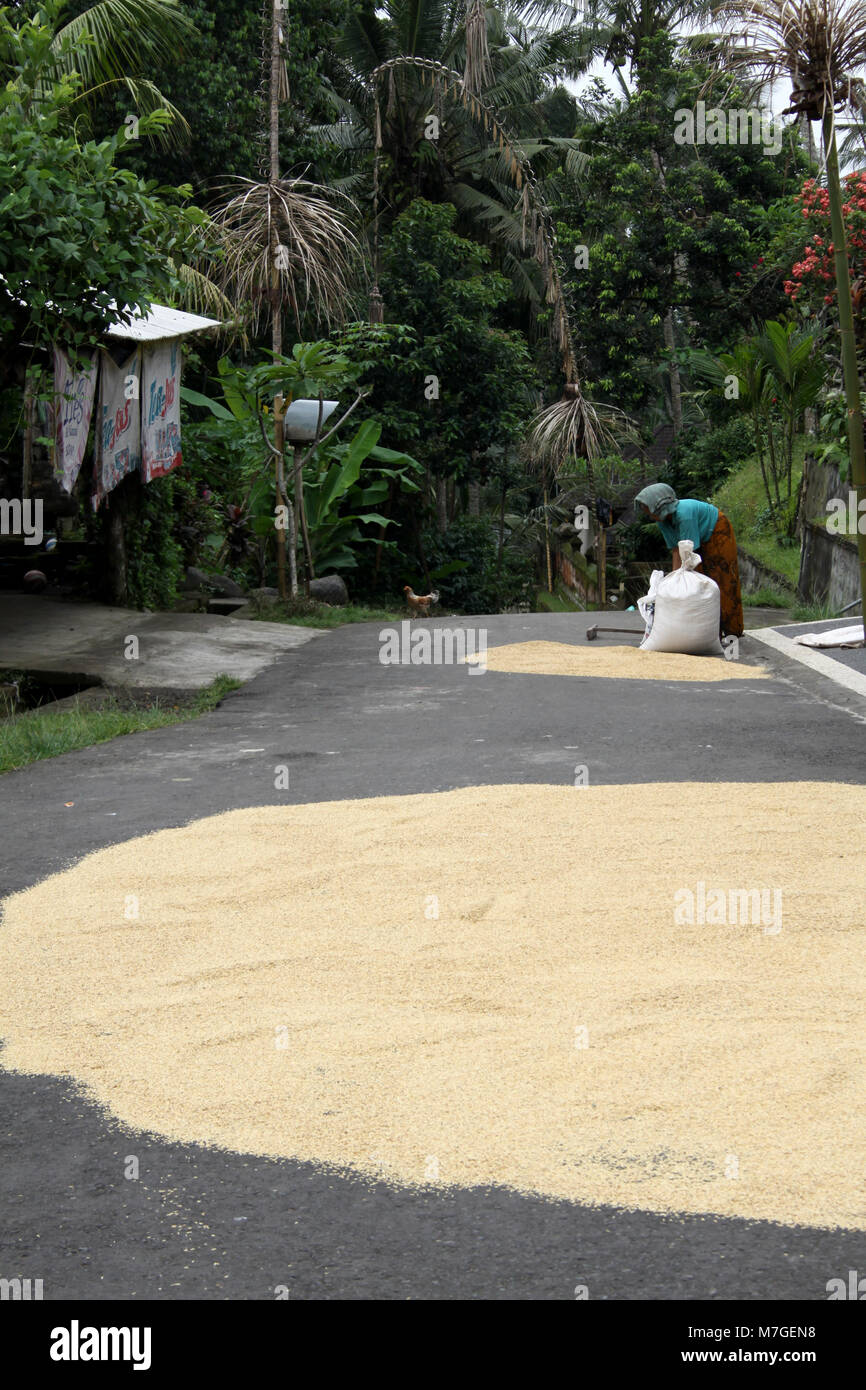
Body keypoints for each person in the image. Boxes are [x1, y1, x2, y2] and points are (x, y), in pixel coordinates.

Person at [633, 483, 744, 638]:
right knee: (691, 582)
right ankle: (710, 632)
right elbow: (676, 550)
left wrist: (685, 582)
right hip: (694, 543)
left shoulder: (684, 515)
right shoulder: (662, 521)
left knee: (721, 580)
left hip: (717, 530)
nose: (649, 516)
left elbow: (690, 553)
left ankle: (733, 630)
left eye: (649, 511)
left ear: (659, 506)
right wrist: (674, 581)